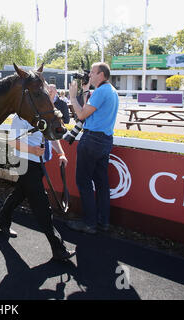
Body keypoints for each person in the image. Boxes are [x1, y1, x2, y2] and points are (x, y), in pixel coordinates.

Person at [0, 114, 75, 261]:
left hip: (37, 162)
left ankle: (2, 221)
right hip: (24, 162)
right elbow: (13, 141)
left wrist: (61, 153)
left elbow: (51, 136)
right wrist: (32, 150)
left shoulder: (41, 112)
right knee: (41, 205)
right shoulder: (20, 117)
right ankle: (58, 248)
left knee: (19, 193)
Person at [66, 62, 119, 234]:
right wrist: (86, 91)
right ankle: (103, 222)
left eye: (93, 73)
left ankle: (89, 223)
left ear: (102, 74)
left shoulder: (102, 91)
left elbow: (81, 114)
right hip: (105, 140)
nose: (89, 75)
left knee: (83, 181)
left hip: (92, 139)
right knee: (102, 183)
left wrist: (73, 97)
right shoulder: (111, 90)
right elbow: (88, 110)